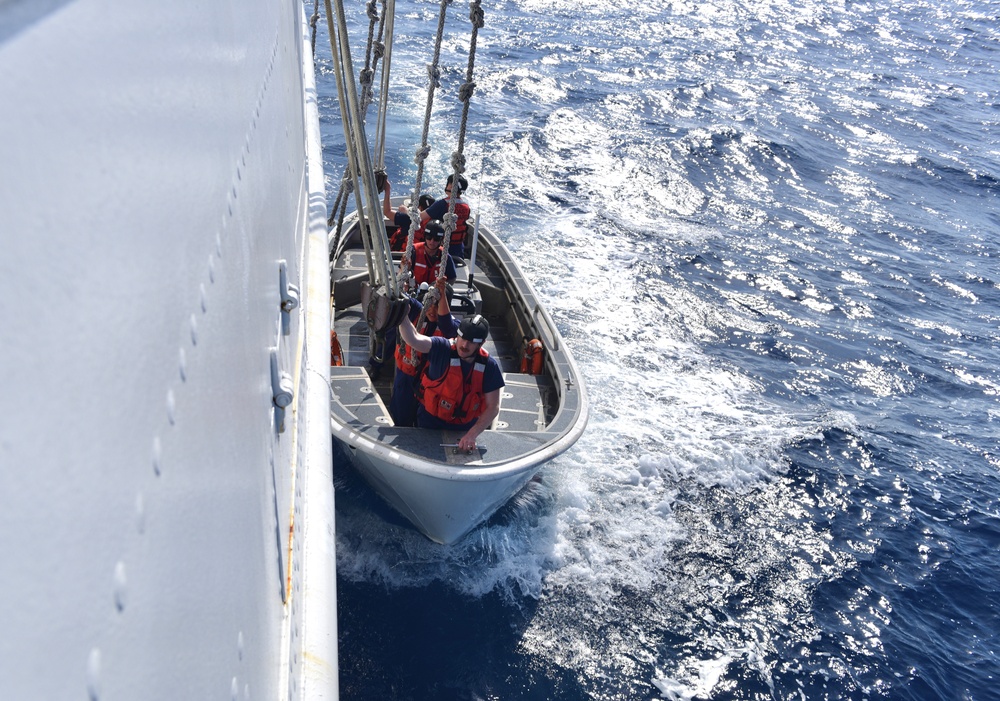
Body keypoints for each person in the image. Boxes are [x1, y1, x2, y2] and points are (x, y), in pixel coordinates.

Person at [398, 311, 504, 452]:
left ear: (482, 343)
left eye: (472, 342)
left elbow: (493, 407)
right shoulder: (441, 348)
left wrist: (472, 435)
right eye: (462, 338)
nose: (465, 345)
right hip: (430, 423)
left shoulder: (489, 366)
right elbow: (414, 339)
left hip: (464, 429)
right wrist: (401, 315)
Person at [388, 278, 457, 427]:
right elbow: (399, 298)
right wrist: (400, 278)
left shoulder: (453, 328)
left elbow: (446, 324)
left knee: (423, 423)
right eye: (430, 303)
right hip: (406, 380)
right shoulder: (416, 312)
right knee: (401, 418)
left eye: (437, 305)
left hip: (430, 387)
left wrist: (442, 293)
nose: (432, 310)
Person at [421, 174, 471, 259]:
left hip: (441, 247)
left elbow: (420, 217)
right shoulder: (466, 207)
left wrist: (406, 211)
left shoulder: (441, 204)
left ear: (451, 186)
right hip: (458, 249)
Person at [382, 179, 434, 251]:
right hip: (420, 257)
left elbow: (387, 212)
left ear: (420, 207)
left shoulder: (408, 218)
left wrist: (387, 190)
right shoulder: (436, 223)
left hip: (399, 256)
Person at [405, 220, 457, 286]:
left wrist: (442, 287)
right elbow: (402, 272)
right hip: (414, 291)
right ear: (425, 237)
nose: (432, 242)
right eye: (429, 238)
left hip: (435, 292)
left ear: (441, 240)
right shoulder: (413, 251)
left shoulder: (445, 255)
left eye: (436, 239)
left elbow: (452, 278)